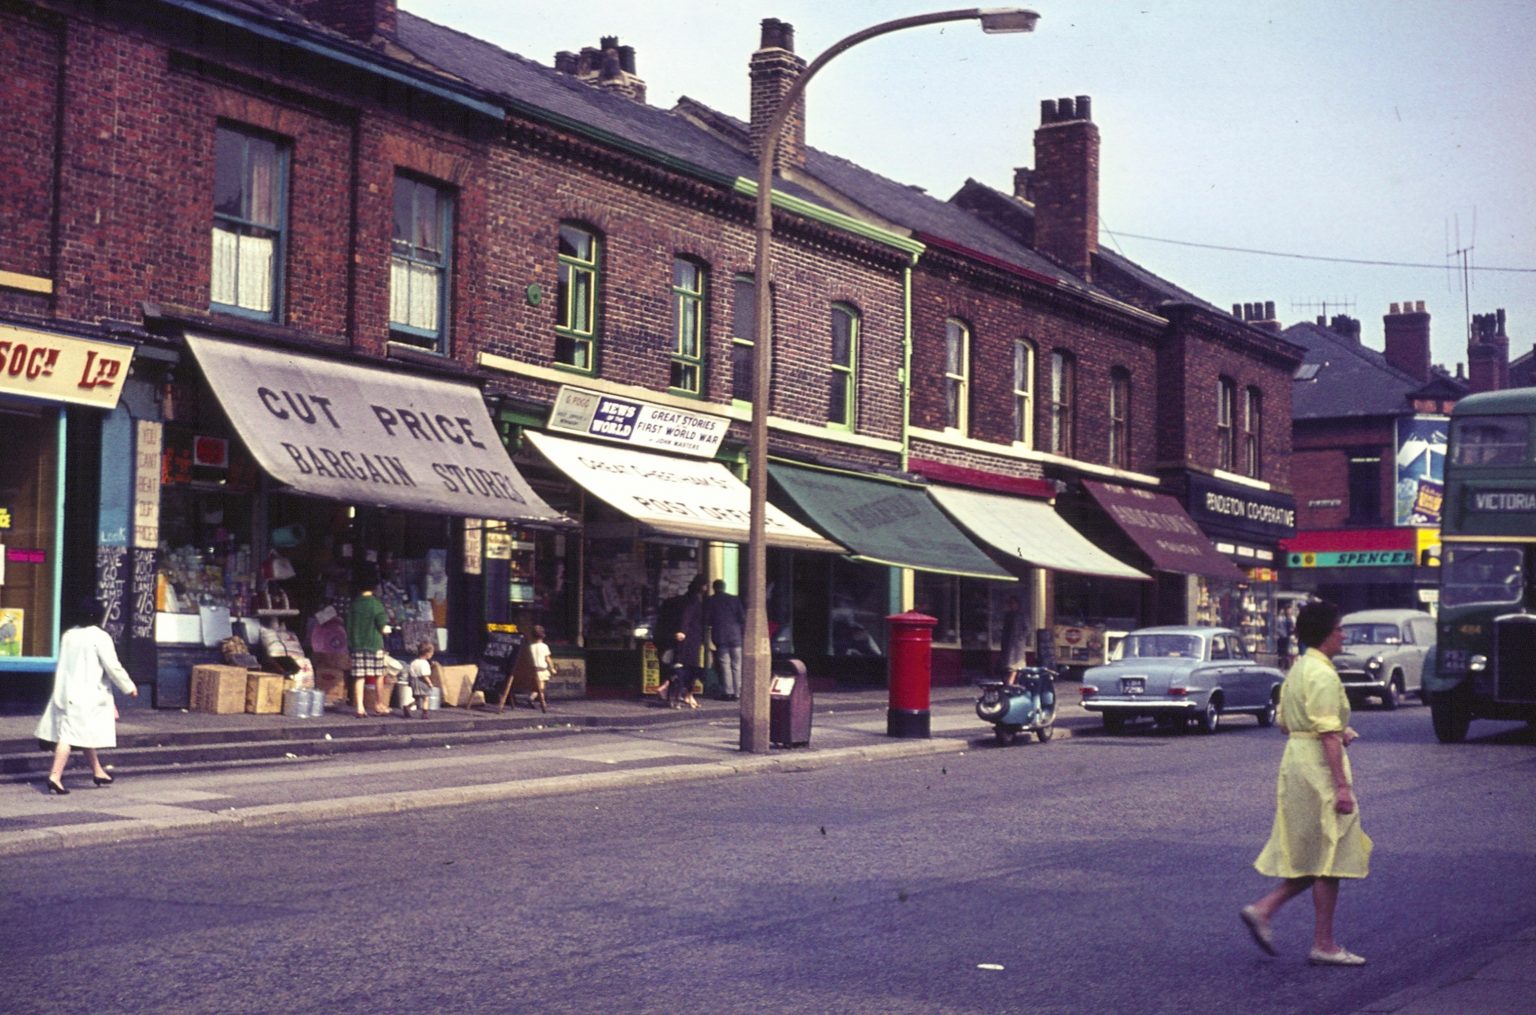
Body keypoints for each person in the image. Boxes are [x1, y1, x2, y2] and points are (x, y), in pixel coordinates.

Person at [1241, 600, 1372, 966]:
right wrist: (1342, 786)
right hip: (1318, 766)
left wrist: (1335, 730)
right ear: (1326, 634)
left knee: (1317, 850)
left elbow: (1286, 723)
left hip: (1295, 761)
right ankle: (1324, 943)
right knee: (1331, 853)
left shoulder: (1298, 670)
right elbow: (1327, 735)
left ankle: (1265, 909)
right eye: (1339, 629)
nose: (1343, 634)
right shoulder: (1324, 674)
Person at [35, 597, 138, 794]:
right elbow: (113, 666)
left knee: (82, 733)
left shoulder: (69, 635)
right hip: (88, 695)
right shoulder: (99, 637)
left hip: (66, 691)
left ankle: (98, 772)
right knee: (68, 736)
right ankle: (54, 777)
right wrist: (129, 686)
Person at [654, 576, 707, 709]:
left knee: (680, 667)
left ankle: (669, 688)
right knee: (690, 668)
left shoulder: (687, 600)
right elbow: (687, 617)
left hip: (686, 638)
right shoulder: (695, 601)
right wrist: (683, 631)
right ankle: (686, 694)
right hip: (691, 639)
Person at [347, 565, 393, 717]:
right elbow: (382, 627)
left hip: (357, 645)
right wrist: (388, 630)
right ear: (374, 587)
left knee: (359, 676)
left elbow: (348, 625)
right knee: (378, 675)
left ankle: (360, 707)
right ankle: (379, 704)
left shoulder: (354, 604)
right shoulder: (376, 604)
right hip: (374, 645)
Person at [706, 579, 745, 701]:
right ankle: (738, 692)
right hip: (735, 636)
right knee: (737, 665)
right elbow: (742, 617)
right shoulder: (735, 599)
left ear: (713, 588)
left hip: (720, 637)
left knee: (725, 665)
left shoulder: (711, 601)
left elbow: (707, 620)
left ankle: (728, 692)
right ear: (724, 587)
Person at [507, 625, 555, 713]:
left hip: (532, 669)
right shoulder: (544, 646)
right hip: (541, 670)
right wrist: (552, 668)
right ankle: (540, 702)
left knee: (536, 686)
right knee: (541, 688)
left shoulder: (530, 647)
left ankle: (534, 698)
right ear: (543, 636)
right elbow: (548, 659)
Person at [998, 595, 1030, 684]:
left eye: (1013, 603)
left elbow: (1027, 629)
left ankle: (1010, 684)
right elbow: (1005, 629)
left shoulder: (1022, 615)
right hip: (1007, 645)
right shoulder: (1008, 616)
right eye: (1010, 603)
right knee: (1007, 666)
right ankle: (1010, 684)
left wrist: (1020, 638)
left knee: (1015, 666)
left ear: (1018, 604)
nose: (1011, 605)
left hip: (1017, 646)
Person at [402, 640, 437, 718]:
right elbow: (425, 675)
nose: (432, 654)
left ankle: (407, 706)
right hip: (422, 682)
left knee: (417, 699)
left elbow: (414, 672)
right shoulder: (424, 663)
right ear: (427, 653)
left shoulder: (414, 662)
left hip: (414, 682)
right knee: (426, 698)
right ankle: (425, 713)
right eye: (431, 653)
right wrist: (430, 683)